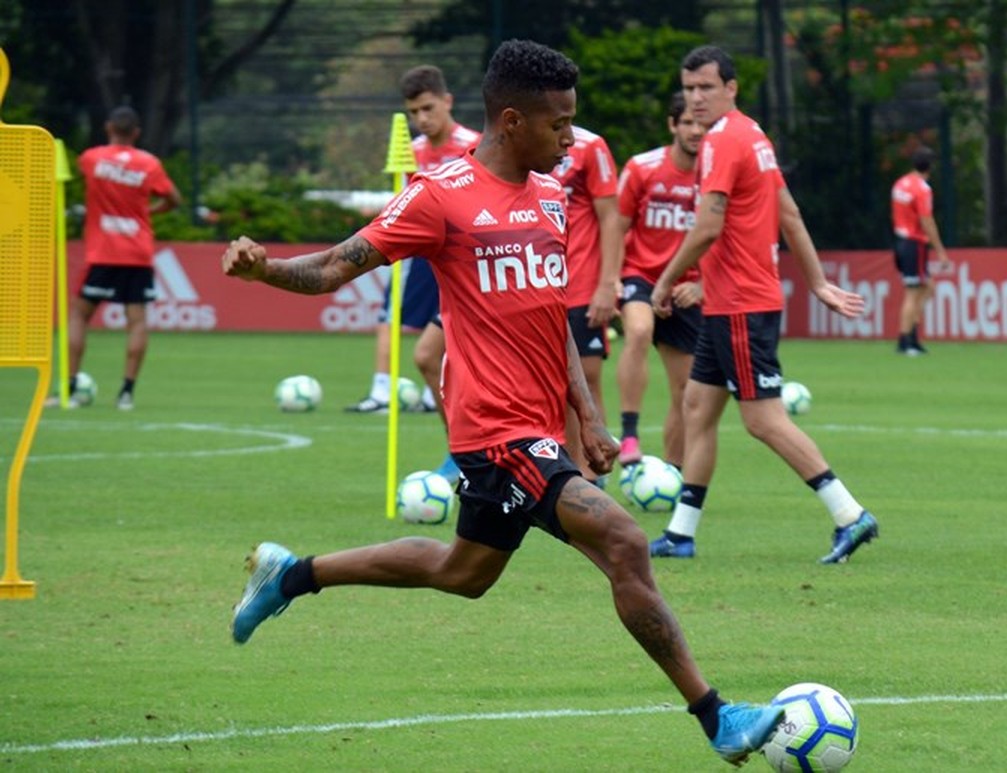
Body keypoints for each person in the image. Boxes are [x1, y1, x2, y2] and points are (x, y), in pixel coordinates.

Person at [221, 40, 783, 766]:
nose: (570, 139)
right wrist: (264, 269)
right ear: (512, 120)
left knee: (465, 572)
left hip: (541, 425)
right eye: (559, 124)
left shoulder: (552, 196)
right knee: (626, 540)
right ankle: (717, 717)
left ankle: (290, 574)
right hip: (494, 432)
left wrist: (586, 414)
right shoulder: (439, 194)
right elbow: (335, 265)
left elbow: (551, 317)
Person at [648, 45, 879, 565]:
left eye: (706, 87)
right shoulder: (754, 136)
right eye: (689, 89)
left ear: (731, 88)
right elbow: (790, 214)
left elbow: (707, 226)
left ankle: (849, 514)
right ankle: (681, 535)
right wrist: (817, 283)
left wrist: (662, 283)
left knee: (762, 420)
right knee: (697, 409)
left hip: (739, 306)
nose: (696, 98)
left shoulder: (721, 143)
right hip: (731, 305)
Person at [345, 64, 480, 479]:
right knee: (421, 347)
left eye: (428, 108)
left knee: (449, 358)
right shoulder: (414, 152)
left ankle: (476, 453)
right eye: (414, 112)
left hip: (470, 265)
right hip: (424, 258)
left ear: (447, 102)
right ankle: (462, 453)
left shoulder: (475, 146)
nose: (422, 118)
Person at [48, 106, 182, 410]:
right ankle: (126, 394)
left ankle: (68, 388)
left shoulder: (91, 158)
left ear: (109, 127)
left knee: (79, 316)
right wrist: (150, 211)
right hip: (138, 253)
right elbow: (174, 198)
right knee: (136, 322)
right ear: (136, 132)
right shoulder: (149, 164)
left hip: (103, 252)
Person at [613, 92, 706, 468]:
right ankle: (630, 434)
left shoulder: (717, 176)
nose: (696, 131)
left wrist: (702, 286)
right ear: (672, 125)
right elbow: (616, 226)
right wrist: (611, 279)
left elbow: (727, 238)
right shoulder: (642, 168)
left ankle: (670, 475)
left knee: (685, 393)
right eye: (687, 123)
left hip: (687, 289)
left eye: (703, 124)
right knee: (636, 331)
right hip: (641, 276)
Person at [549, 122, 622, 485]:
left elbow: (611, 217)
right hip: (540, 282)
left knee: (586, 379)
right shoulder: (520, 140)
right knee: (549, 385)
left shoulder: (591, 145)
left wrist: (608, 283)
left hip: (582, 284)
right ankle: (569, 469)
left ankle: (591, 471)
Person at [891, 144, 951, 355]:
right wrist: (941, 251)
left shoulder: (900, 184)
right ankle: (905, 341)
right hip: (914, 243)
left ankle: (913, 335)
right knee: (913, 292)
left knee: (928, 287)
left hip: (900, 241)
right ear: (930, 166)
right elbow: (927, 221)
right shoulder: (922, 189)